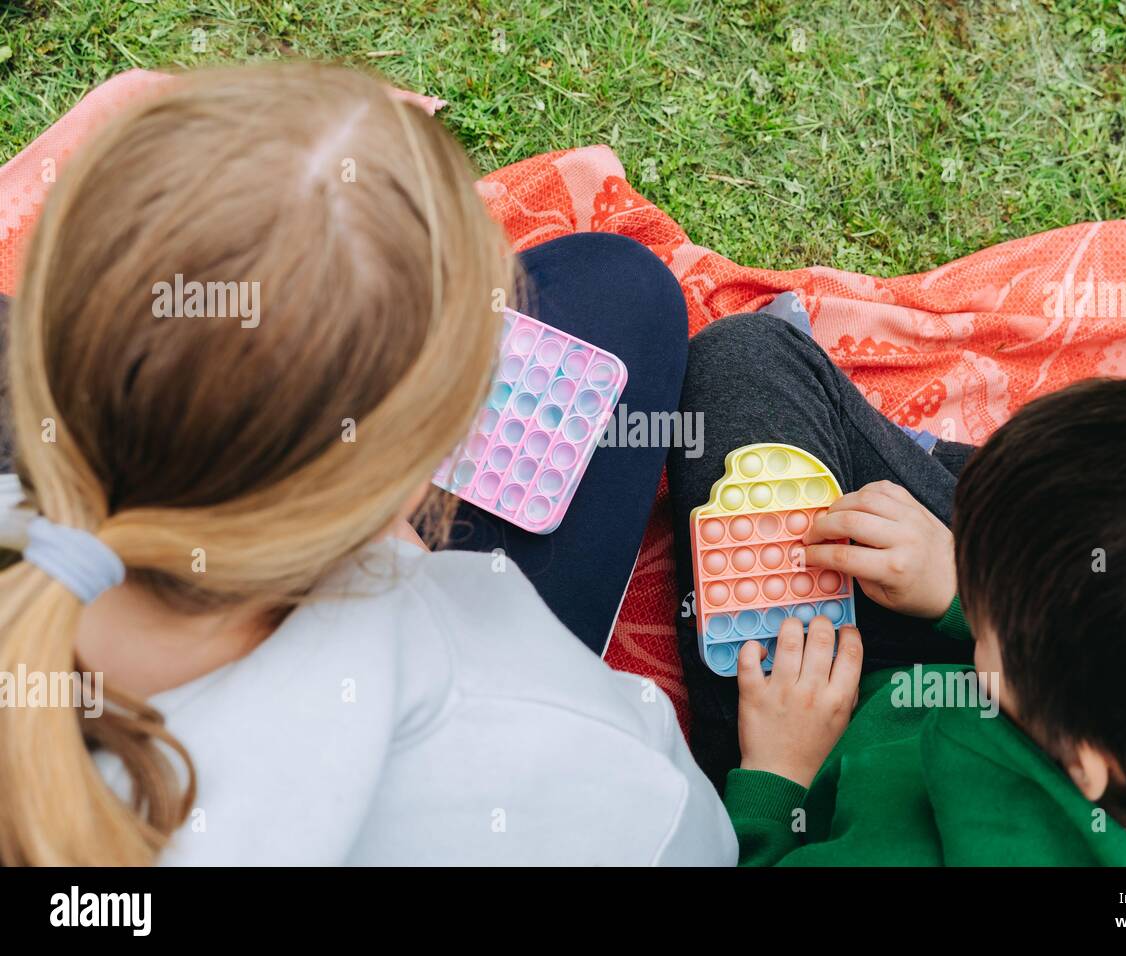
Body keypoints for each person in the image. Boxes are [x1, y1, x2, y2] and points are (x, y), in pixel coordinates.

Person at [0, 62, 736, 866]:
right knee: (621, 288)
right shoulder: (596, 765)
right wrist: (774, 777)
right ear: (424, 469)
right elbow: (694, 841)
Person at [669, 313, 1126, 865]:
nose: (968, 569)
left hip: (812, 731)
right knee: (755, 357)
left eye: (984, 586)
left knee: (744, 362)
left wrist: (780, 782)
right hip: (1023, 673)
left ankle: (938, 474)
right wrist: (957, 599)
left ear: (1082, 758)